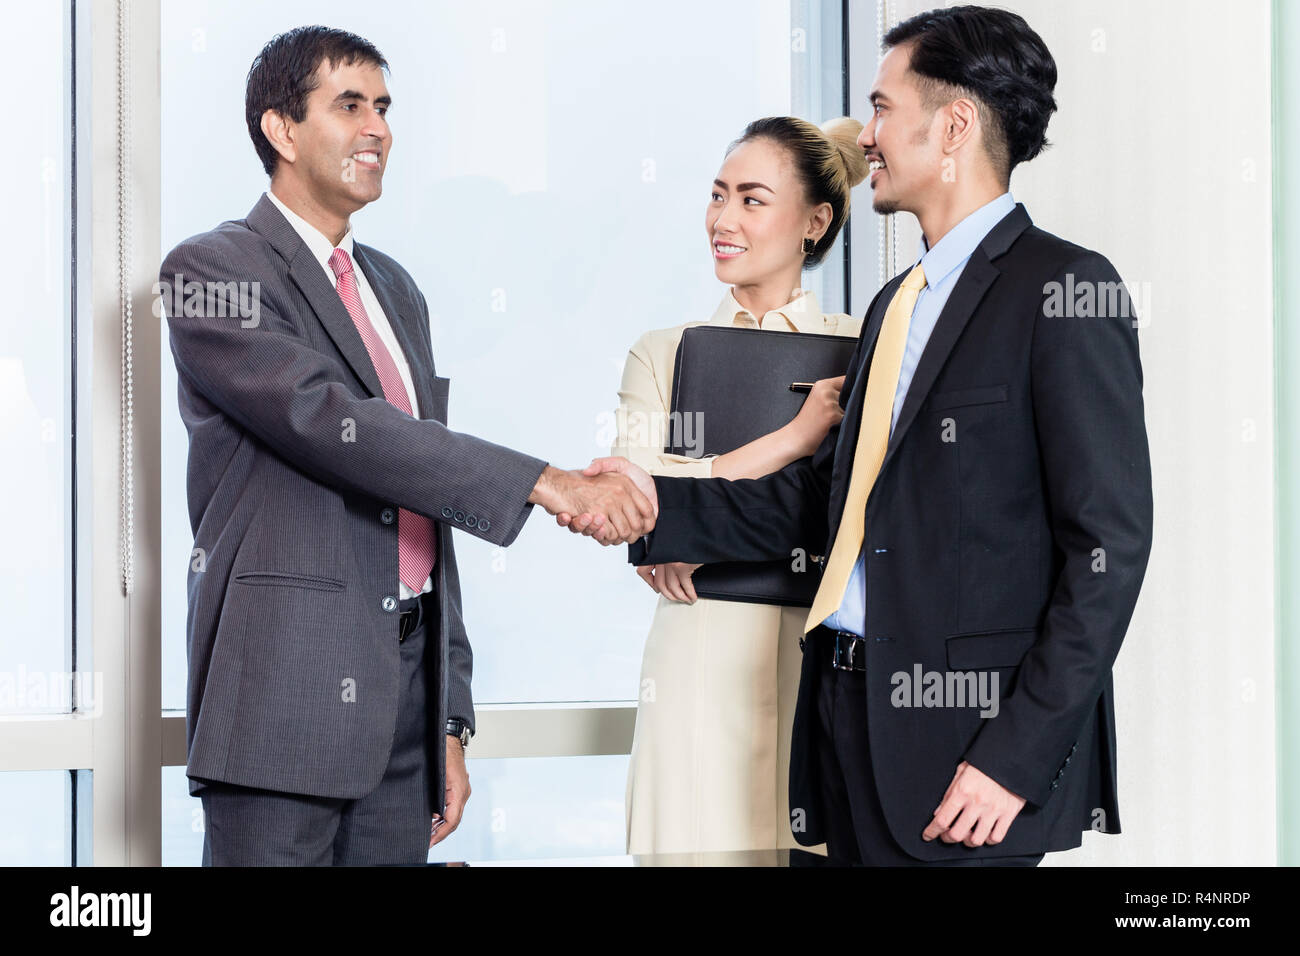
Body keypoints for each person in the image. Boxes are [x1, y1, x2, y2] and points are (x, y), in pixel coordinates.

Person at [566, 5, 1154, 866]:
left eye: (882, 108)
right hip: (841, 726)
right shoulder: (895, 306)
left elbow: (1109, 549)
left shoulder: (1062, 288)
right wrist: (650, 502)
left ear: (953, 125)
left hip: (966, 763)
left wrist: (1014, 759)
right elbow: (829, 507)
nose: (865, 138)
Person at [161, 25, 653, 866]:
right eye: (349, 105)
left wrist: (448, 719)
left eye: (384, 107)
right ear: (280, 129)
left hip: (404, 712)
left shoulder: (396, 289)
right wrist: (545, 482)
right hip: (284, 700)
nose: (378, 128)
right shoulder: (212, 272)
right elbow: (336, 426)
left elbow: (422, 499)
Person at [612, 116, 868, 855]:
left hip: (821, 655)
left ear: (815, 222)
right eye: (718, 195)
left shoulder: (862, 349)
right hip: (696, 660)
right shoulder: (664, 351)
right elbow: (635, 501)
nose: (723, 219)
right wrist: (796, 435)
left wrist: (690, 511)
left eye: (752, 199)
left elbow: (858, 510)